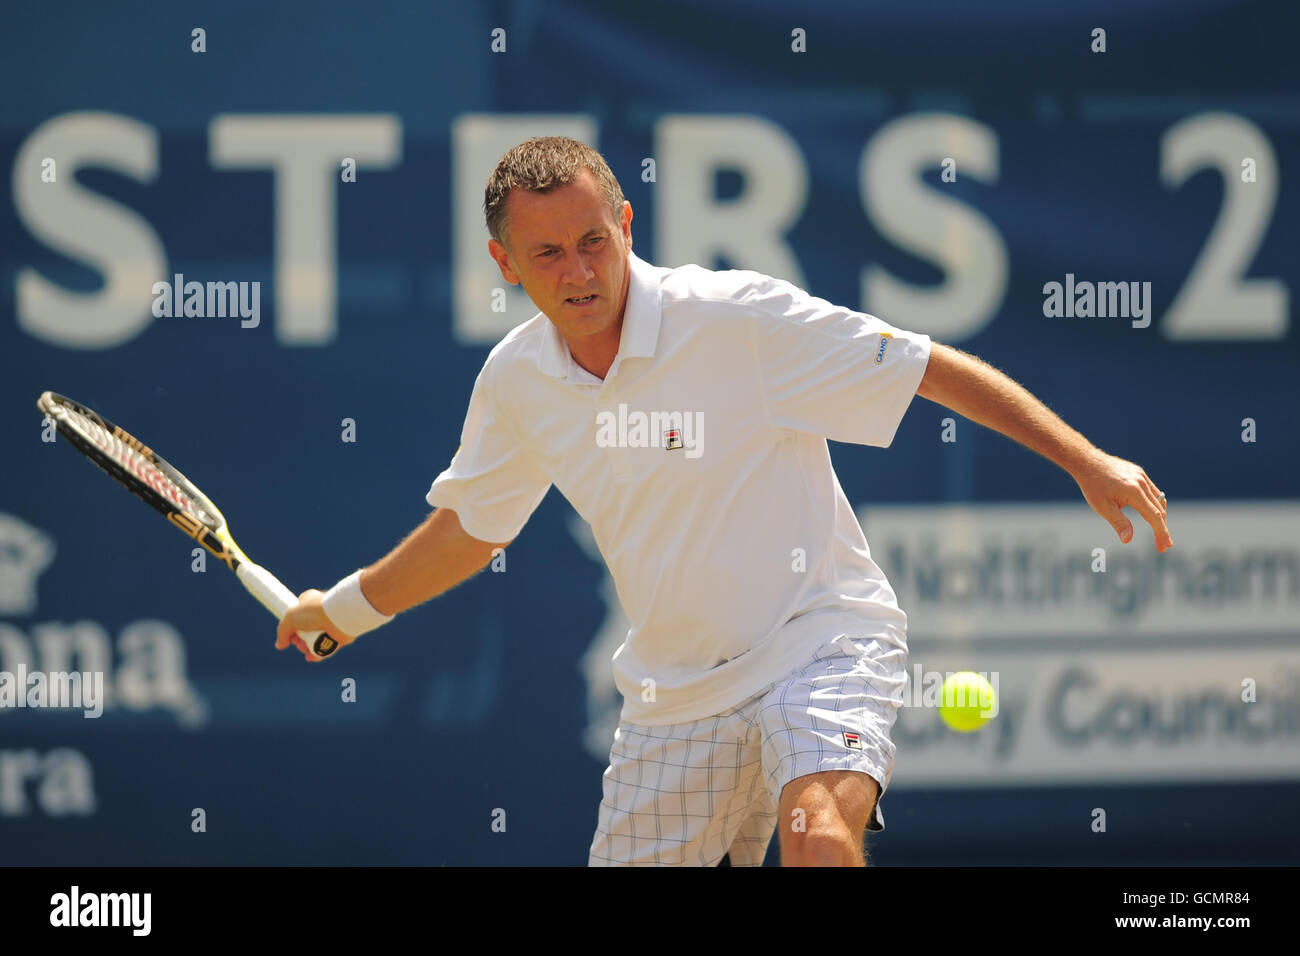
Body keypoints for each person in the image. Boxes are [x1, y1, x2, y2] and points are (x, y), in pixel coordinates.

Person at [277, 136, 1172, 867]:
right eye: (547, 252)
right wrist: (346, 611)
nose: (579, 270)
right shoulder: (516, 382)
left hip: (819, 638)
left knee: (817, 837)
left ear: (627, 225)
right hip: (673, 698)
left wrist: (1083, 458)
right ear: (504, 264)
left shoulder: (738, 320)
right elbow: (470, 529)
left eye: (594, 240)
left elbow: (922, 367)